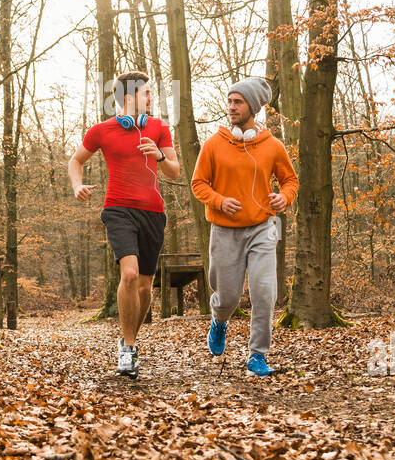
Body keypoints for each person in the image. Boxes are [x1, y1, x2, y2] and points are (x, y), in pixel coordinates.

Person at [68, 71, 181, 378]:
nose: (151, 99)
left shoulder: (158, 128)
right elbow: (75, 160)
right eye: (146, 93)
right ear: (129, 98)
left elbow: (175, 172)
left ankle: (131, 337)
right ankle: (127, 347)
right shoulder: (101, 131)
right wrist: (77, 185)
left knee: (145, 287)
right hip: (117, 209)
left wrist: (158, 155)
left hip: (153, 213)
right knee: (129, 274)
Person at [190, 76, 299, 377]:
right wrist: (219, 200)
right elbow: (198, 184)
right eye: (230, 101)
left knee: (265, 291)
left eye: (238, 102)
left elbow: (290, 180)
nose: (231, 107)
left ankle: (257, 356)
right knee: (228, 297)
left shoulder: (272, 145)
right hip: (224, 229)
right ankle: (219, 320)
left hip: (264, 226)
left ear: (253, 106)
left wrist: (285, 197)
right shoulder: (214, 144)